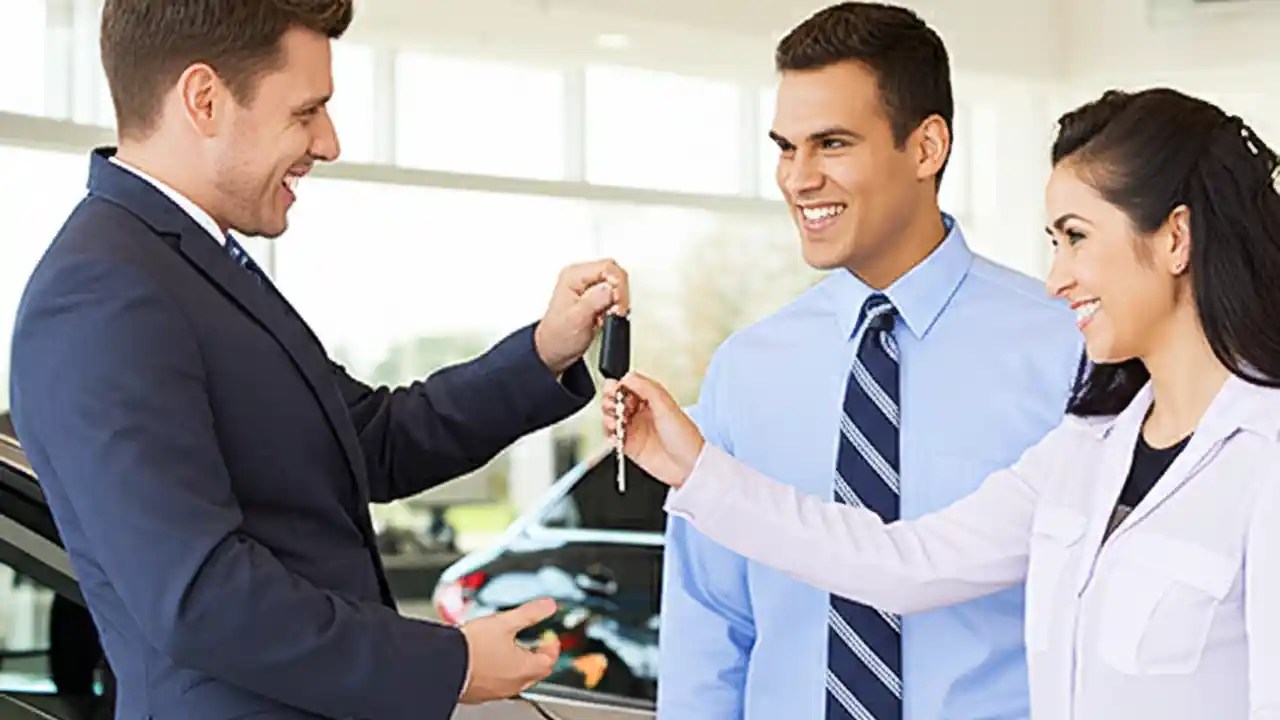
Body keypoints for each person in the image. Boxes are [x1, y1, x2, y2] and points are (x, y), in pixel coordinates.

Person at [8, 1, 629, 718]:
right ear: (204, 99)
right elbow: (199, 596)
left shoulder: (193, 267)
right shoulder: (103, 293)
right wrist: (449, 663)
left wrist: (544, 351)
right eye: (307, 112)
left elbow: (372, 438)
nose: (328, 143)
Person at [606, 87, 1280, 719]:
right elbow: (903, 565)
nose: (1056, 280)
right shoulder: (1086, 446)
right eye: (1053, 243)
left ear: (1175, 237)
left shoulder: (1265, 458)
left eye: (1076, 237)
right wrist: (696, 469)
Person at [650, 3, 1081, 719]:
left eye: (832, 144)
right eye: (786, 147)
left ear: (926, 147)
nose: (798, 178)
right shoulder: (747, 368)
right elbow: (710, 626)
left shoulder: (1067, 349)